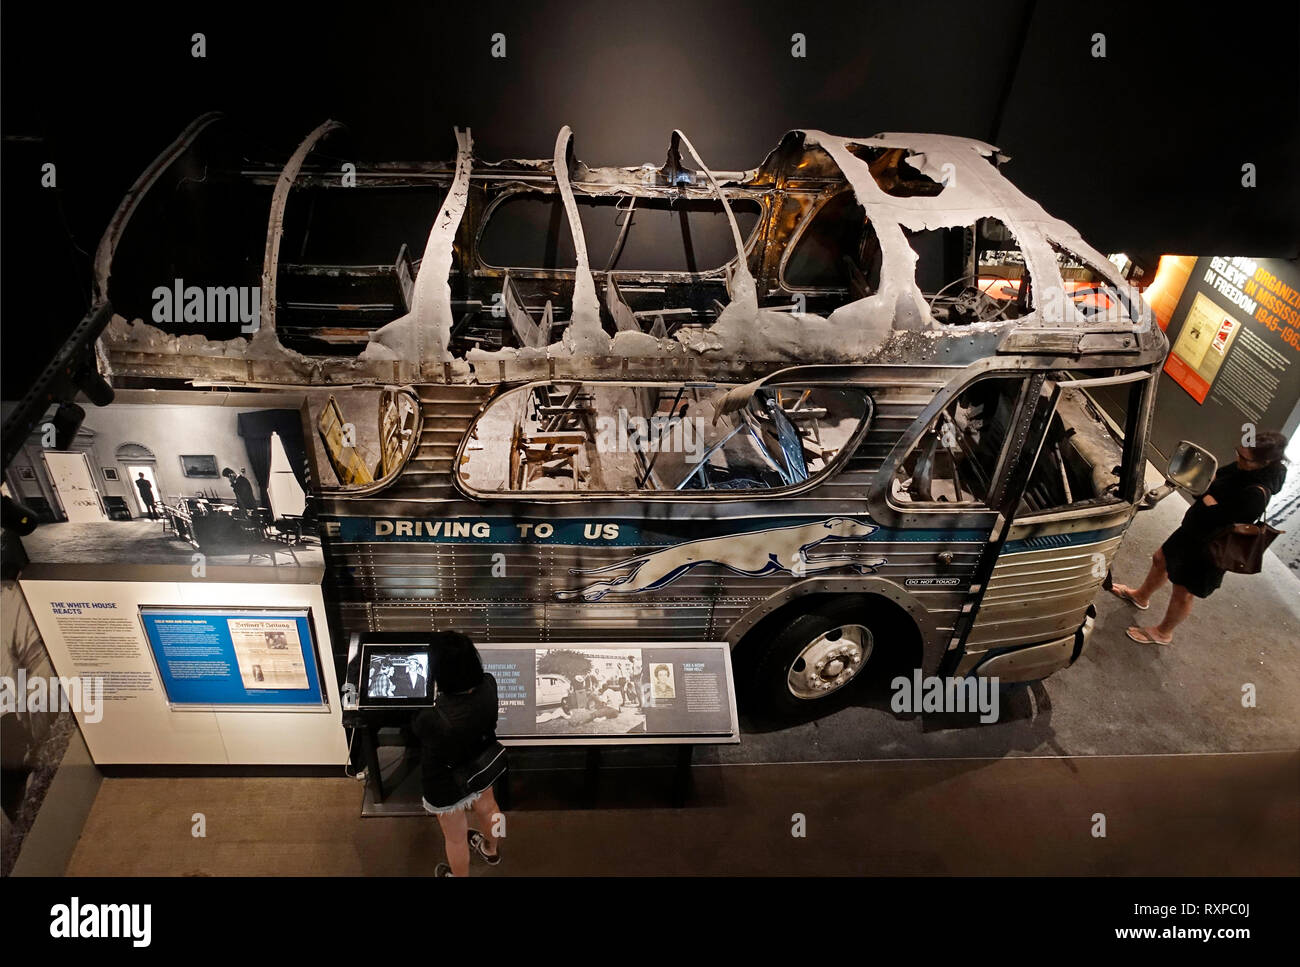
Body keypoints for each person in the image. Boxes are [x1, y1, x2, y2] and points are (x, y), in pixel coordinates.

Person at [1110, 431, 1289, 645]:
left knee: (1184, 591)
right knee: (1161, 559)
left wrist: (1206, 495)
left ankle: (1163, 633)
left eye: (1245, 458)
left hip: (1210, 548)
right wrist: (1208, 496)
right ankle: (1140, 596)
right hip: (1194, 530)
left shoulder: (1257, 494)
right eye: (1238, 453)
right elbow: (1209, 486)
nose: (1238, 459)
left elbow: (1219, 516)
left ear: (1265, 462)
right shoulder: (1242, 467)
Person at [410, 633, 506, 877]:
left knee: (454, 838)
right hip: (483, 762)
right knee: (491, 810)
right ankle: (492, 849)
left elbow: (418, 732)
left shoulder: (433, 717)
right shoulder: (489, 684)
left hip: (446, 780)